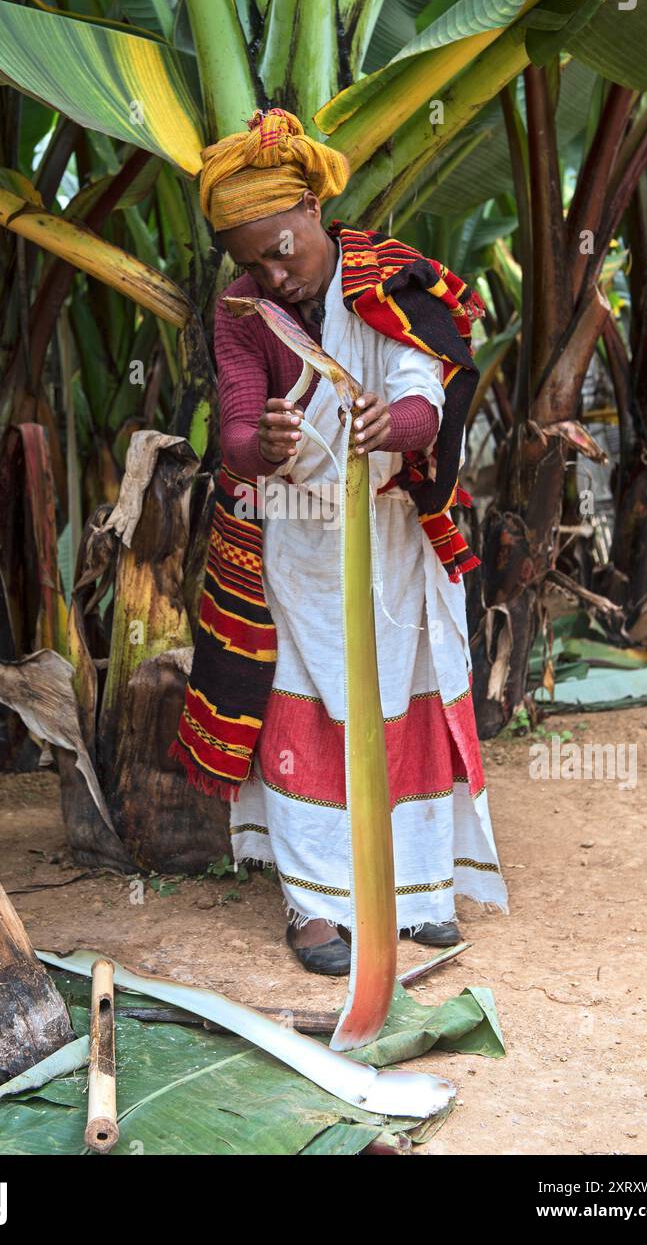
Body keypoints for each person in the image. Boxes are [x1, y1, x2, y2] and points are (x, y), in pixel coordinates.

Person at [170, 107, 508, 975]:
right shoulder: (242, 309)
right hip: (301, 551)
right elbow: (238, 429)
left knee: (406, 701)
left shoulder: (392, 282)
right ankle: (314, 908)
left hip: (393, 540)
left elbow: (423, 398)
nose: (273, 273)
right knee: (308, 705)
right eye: (252, 262)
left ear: (314, 212)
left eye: (281, 248)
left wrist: (385, 423)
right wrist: (264, 446)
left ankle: (419, 895)